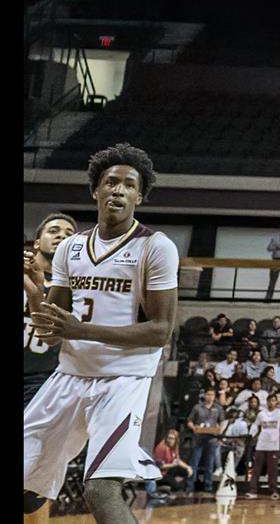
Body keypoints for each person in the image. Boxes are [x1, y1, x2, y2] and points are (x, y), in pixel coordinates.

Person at [23, 145, 180, 524]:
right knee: (27, 493)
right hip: (69, 376)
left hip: (122, 380)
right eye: (110, 182)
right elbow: (51, 331)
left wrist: (83, 329)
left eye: (129, 184)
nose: (119, 190)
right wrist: (34, 294)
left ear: (139, 196)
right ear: (95, 190)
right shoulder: (71, 249)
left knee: (101, 490)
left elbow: (160, 331)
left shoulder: (155, 247)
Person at [22, 212, 77, 412]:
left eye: (69, 234)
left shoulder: (75, 288)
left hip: (42, 377)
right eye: (54, 231)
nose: (61, 236)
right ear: (36, 243)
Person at [249, 392, 280, 499]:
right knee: (256, 469)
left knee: (272, 470)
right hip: (261, 444)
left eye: (273, 400)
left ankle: (273, 490)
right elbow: (257, 426)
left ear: (276, 402)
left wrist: (279, 434)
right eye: (269, 400)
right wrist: (255, 437)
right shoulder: (261, 414)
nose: (271, 402)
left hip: (274, 445)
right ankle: (253, 490)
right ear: (266, 402)